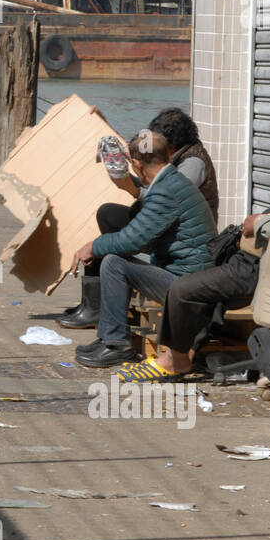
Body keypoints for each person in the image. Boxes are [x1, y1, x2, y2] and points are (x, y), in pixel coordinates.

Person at [118, 112, 270, 382]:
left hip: (263, 266)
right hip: (253, 260)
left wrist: (258, 223)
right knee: (201, 280)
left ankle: (173, 361)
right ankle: (189, 353)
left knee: (183, 288)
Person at [68, 130, 216, 368]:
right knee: (113, 253)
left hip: (187, 285)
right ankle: (108, 336)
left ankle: (116, 345)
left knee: (114, 262)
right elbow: (140, 232)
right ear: (167, 155)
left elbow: (131, 240)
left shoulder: (166, 191)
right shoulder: (172, 182)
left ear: (136, 164)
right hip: (186, 274)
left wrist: (92, 246)